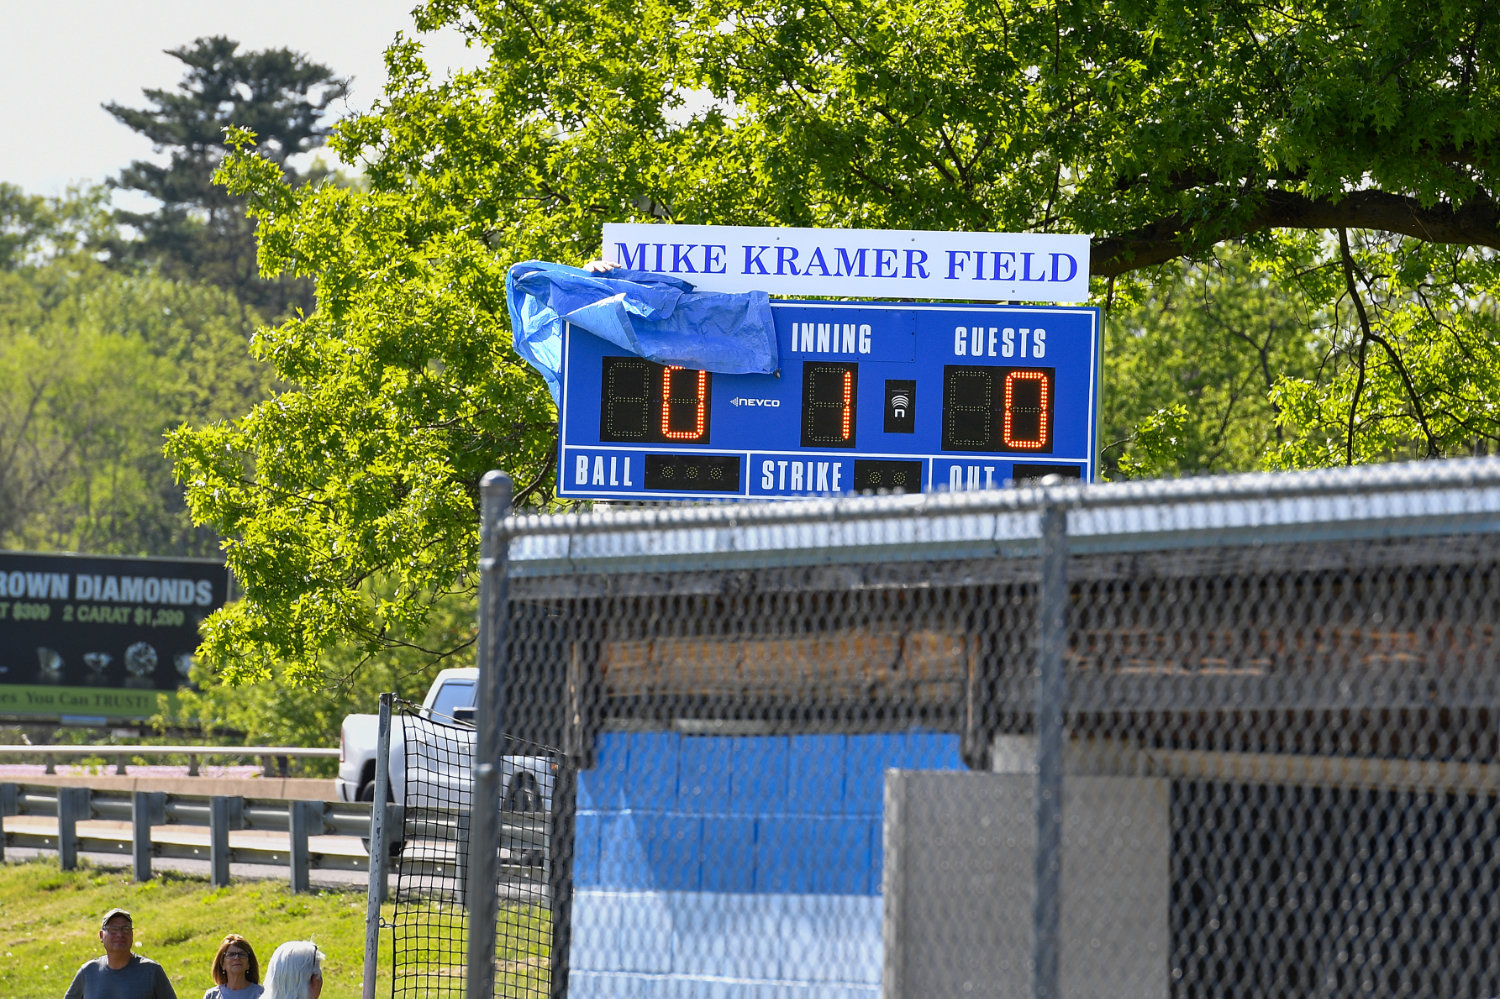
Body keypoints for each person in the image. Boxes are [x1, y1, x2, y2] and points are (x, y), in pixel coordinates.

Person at [64, 907, 178, 999]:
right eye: (113, 929)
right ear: (101, 936)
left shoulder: (151, 972)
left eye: (126, 929)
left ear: (132, 935)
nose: (120, 934)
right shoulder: (88, 972)